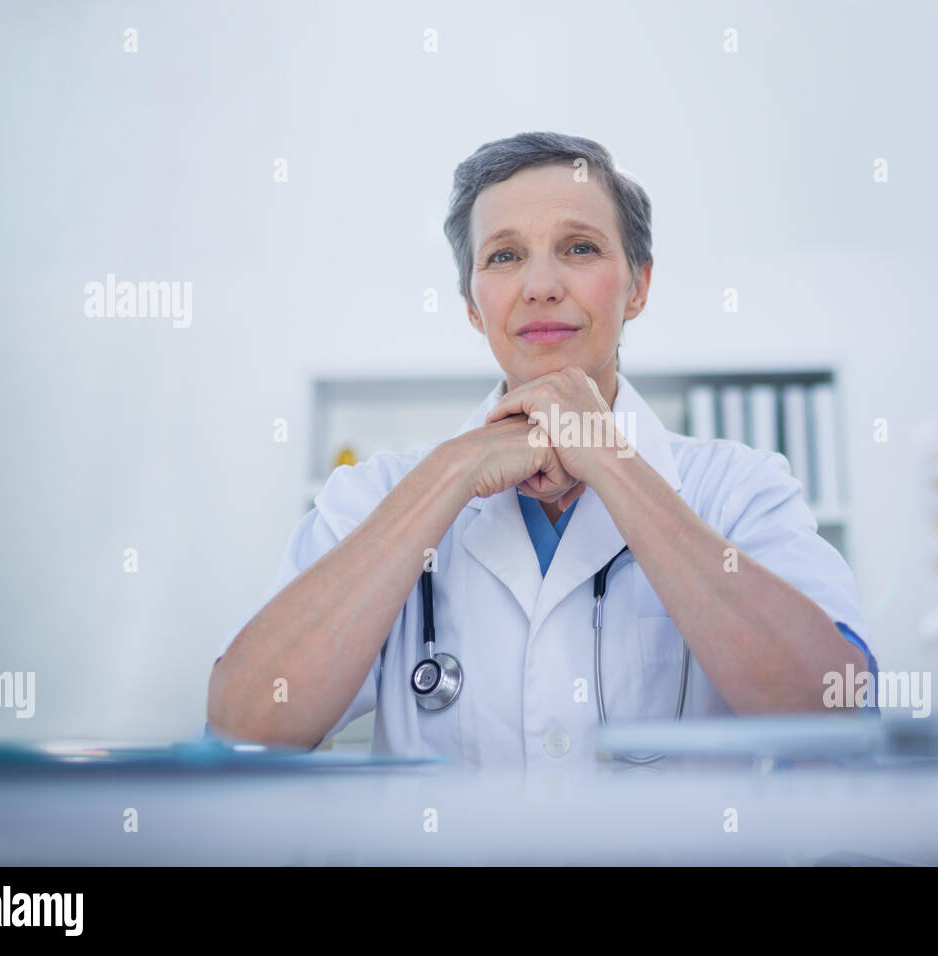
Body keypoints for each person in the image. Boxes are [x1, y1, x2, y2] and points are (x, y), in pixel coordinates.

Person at [207, 132, 877, 769]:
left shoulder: (738, 489)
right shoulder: (374, 495)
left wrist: (610, 464)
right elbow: (244, 727)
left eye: (580, 248)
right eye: (502, 256)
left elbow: (833, 711)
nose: (541, 285)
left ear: (638, 286)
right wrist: (449, 472)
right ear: (474, 305)